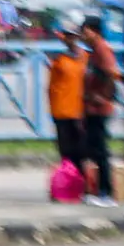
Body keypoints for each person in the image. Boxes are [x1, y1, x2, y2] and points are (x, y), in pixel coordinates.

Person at [80, 15, 124, 203]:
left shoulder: (102, 50)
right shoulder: (93, 51)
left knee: (100, 151)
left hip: (99, 108)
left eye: (85, 32)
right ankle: (96, 190)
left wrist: (102, 96)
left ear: (94, 31)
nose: (83, 36)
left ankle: (107, 193)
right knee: (91, 149)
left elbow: (112, 75)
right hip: (91, 108)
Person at [47, 23, 95, 195]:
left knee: (83, 150)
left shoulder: (86, 58)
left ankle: (83, 186)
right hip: (62, 111)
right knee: (66, 151)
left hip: (80, 111)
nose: (71, 40)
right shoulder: (59, 61)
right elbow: (51, 88)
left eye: (73, 36)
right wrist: (53, 110)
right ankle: (69, 185)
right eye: (68, 36)